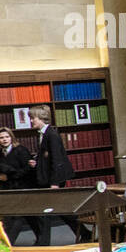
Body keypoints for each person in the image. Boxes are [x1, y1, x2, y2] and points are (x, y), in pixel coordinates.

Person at [27, 104, 84, 244]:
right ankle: (84, 232)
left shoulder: (51, 135)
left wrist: (55, 183)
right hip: (49, 178)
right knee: (60, 209)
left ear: (41, 118)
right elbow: (47, 158)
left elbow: (57, 160)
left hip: (53, 180)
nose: (31, 121)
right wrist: (37, 162)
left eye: (33, 118)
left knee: (46, 211)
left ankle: (44, 242)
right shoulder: (43, 134)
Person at [0, 128, 39, 245]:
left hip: (23, 187)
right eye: (1, 138)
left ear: (11, 137)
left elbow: (27, 170)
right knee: (28, 217)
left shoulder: (21, 150)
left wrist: (10, 177)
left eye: (7, 137)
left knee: (18, 216)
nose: (4, 140)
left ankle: (8, 243)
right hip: (9, 189)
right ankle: (42, 239)